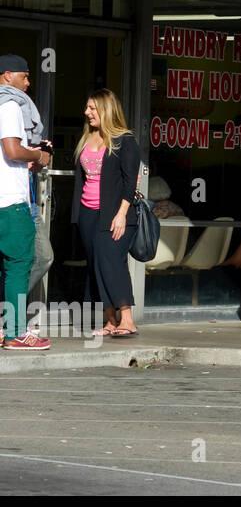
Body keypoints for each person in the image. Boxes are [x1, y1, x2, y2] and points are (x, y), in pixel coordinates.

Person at [71, 89, 141, 341]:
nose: (87, 112)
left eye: (92, 108)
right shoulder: (86, 139)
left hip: (114, 214)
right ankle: (111, 321)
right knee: (96, 265)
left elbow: (129, 181)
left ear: (106, 110)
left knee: (111, 262)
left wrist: (122, 214)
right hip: (88, 214)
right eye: (87, 108)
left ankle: (128, 320)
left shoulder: (125, 140)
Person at [0, 55, 51, 349]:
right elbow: (12, 150)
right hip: (10, 200)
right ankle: (16, 332)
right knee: (20, 264)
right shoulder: (9, 105)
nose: (29, 83)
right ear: (8, 75)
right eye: (26, 76)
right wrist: (37, 155)